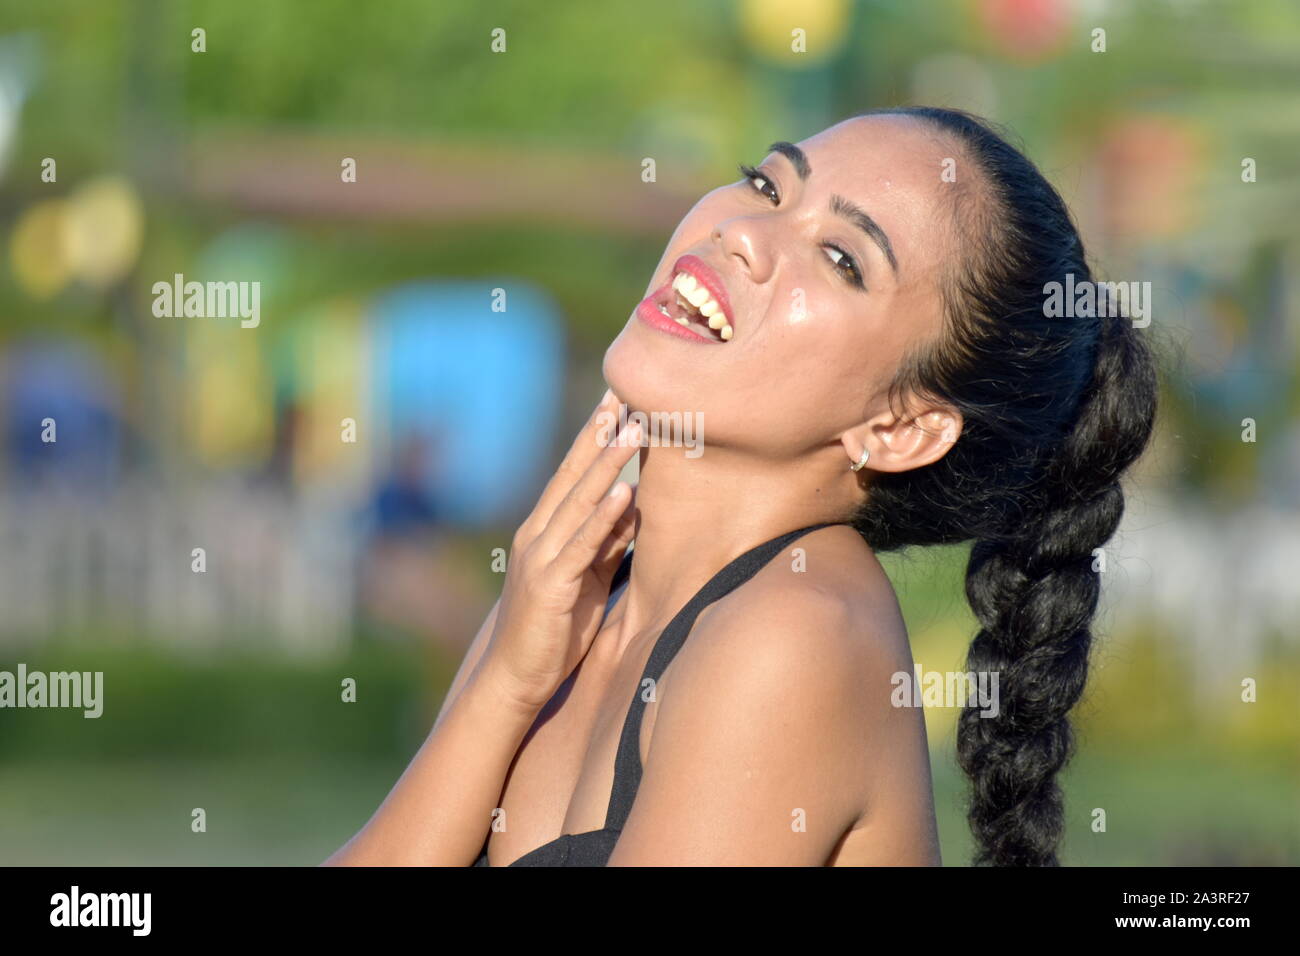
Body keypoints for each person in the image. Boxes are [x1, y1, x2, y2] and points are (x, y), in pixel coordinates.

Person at [324, 106, 1158, 867]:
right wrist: (503, 683)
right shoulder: (570, 604)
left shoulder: (795, 634)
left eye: (841, 258)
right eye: (767, 184)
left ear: (900, 430)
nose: (745, 235)